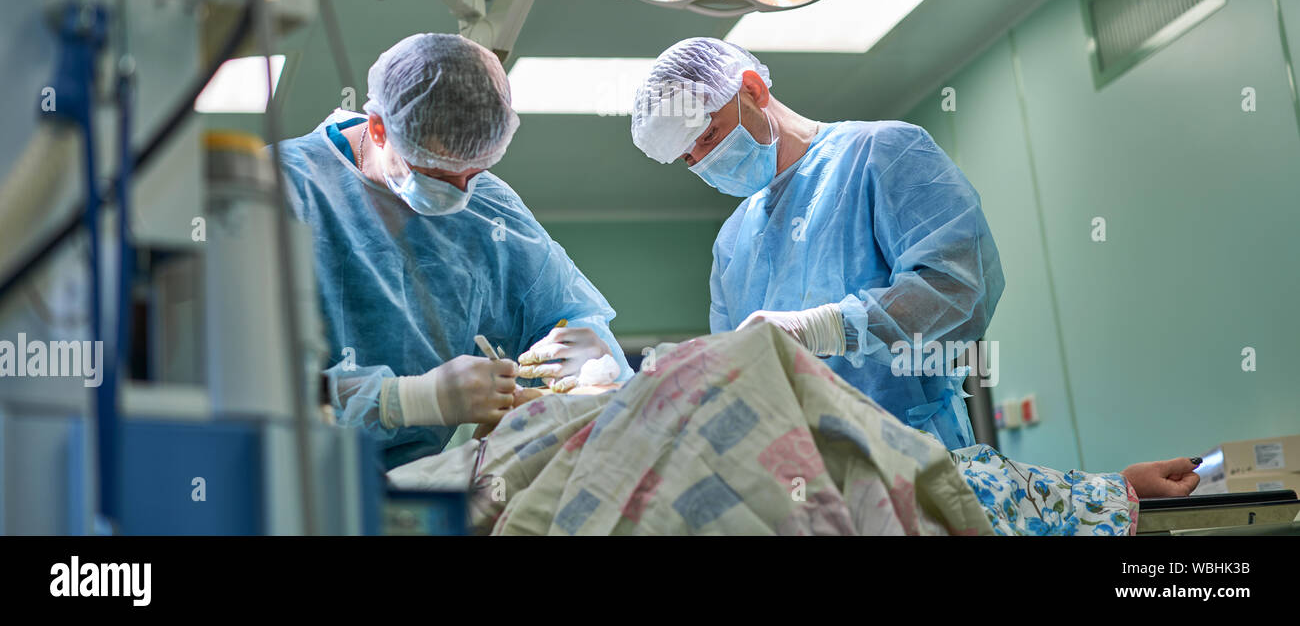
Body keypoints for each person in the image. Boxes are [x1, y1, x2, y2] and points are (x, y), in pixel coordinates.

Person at [630, 37, 1004, 450]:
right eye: (687, 157)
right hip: (801, 480)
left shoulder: (881, 154)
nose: (703, 158)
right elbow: (738, 377)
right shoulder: (733, 244)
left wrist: (825, 328)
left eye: (707, 134)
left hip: (913, 457)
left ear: (752, 90)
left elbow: (958, 291)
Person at [278, 33, 632, 469]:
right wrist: (406, 400)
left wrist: (587, 365)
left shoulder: (488, 206)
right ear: (378, 129)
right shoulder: (282, 191)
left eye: (475, 172)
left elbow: (561, 310)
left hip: (416, 491)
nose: (459, 194)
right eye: (435, 171)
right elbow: (237, 384)